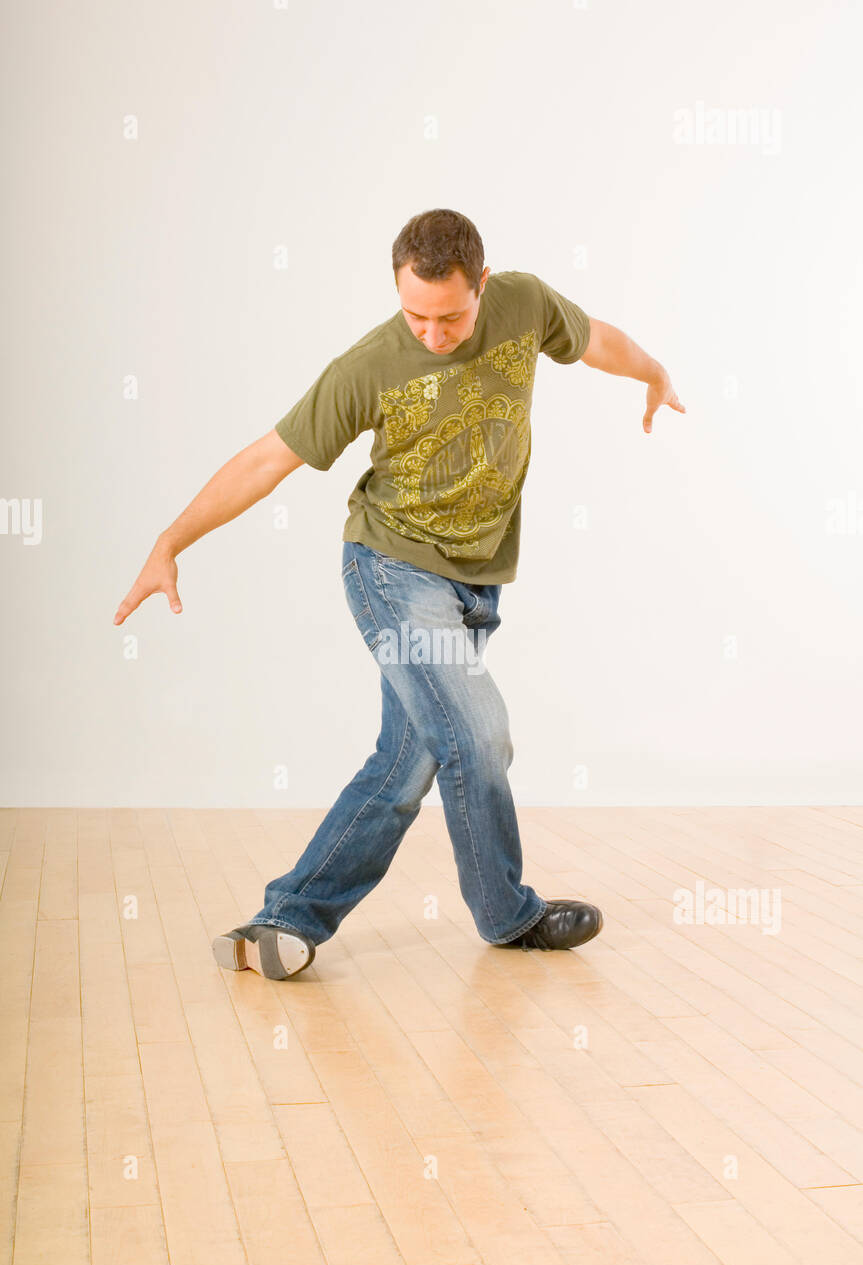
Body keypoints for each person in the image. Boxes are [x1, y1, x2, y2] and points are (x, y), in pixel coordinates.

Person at [114, 208, 685, 981]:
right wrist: (169, 542)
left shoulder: (525, 303)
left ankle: (281, 922)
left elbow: (595, 339)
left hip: (475, 583)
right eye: (415, 314)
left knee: (406, 760)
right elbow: (265, 460)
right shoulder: (371, 365)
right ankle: (508, 915)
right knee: (478, 733)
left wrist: (651, 371)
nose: (432, 333)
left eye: (449, 316)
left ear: (481, 285)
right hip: (391, 568)